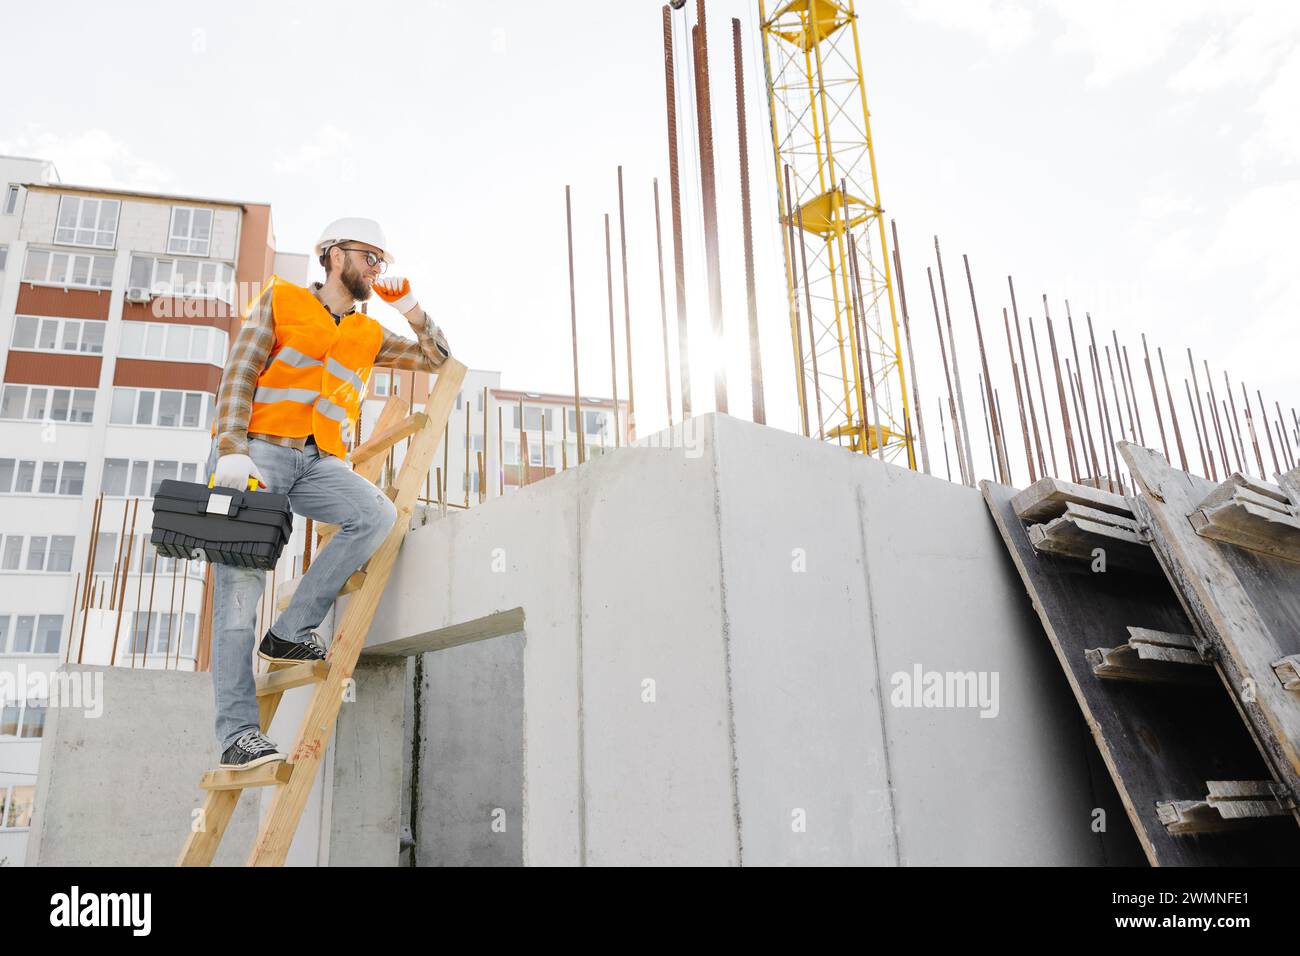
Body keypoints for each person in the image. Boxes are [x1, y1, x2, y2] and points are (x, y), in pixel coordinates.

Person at [206, 217, 451, 770]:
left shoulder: (369, 332)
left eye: (382, 261)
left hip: (318, 459)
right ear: (334, 254)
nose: (376, 268)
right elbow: (239, 375)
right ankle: (238, 736)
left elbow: (437, 359)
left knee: (375, 514)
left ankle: (291, 631)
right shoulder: (281, 300)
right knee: (238, 602)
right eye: (369, 257)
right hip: (257, 453)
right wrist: (229, 448)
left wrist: (411, 309)